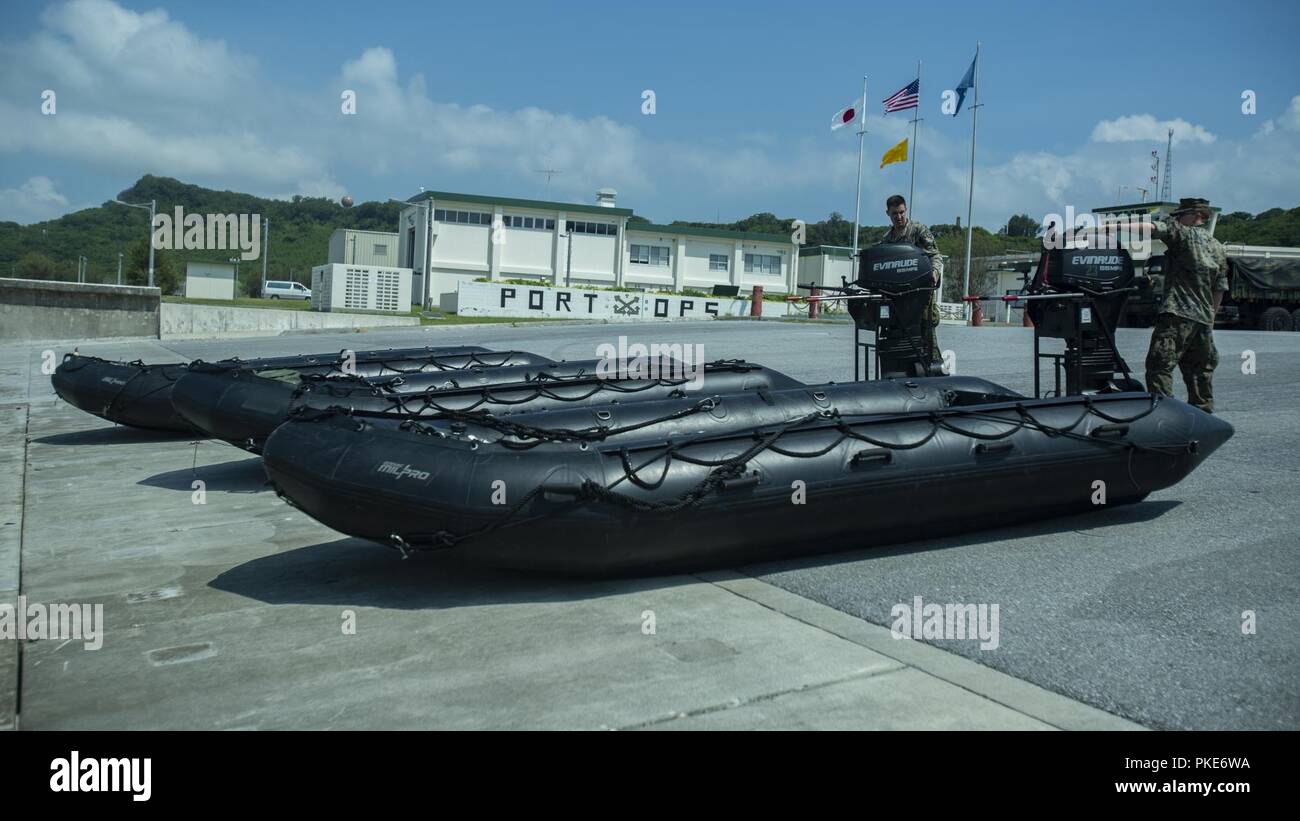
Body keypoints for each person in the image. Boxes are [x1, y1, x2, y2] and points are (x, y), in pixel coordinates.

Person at [1131, 197, 1228, 412]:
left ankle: (1164, 413)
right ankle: (1203, 415)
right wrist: (1210, 317)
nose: (1178, 219)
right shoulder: (1217, 247)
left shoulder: (1183, 234)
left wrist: (1107, 227)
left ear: (1194, 215)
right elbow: (1219, 288)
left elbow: (1152, 228)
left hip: (1176, 315)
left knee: (1159, 366)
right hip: (1202, 319)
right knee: (1200, 371)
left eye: (1180, 215)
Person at [879, 194, 943, 362]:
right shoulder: (887, 239)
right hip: (898, 295)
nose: (899, 217)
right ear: (888, 214)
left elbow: (935, 255)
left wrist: (935, 272)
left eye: (901, 212)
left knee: (926, 332)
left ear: (906, 210)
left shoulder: (918, 230)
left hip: (920, 291)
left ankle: (935, 367)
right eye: (894, 214)